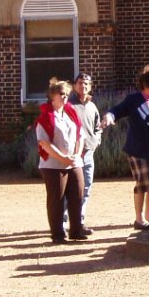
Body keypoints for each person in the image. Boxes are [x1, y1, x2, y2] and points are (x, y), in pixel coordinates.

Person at [102, 65, 149, 230]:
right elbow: (117, 110)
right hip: (138, 149)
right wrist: (109, 116)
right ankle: (139, 219)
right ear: (147, 83)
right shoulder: (133, 100)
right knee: (142, 183)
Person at [35, 79, 89, 243]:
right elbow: (45, 143)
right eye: (62, 94)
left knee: (77, 196)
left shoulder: (70, 114)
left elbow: (80, 135)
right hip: (53, 165)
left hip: (74, 162)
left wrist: (77, 155)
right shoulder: (45, 118)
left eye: (67, 94)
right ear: (53, 96)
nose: (65, 97)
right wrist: (62, 158)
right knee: (56, 200)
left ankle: (76, 230)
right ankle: (58, 234)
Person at [64, 72, 101, 235]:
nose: (83, 86)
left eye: (86, 84)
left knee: (85, 188)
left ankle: (80, 222)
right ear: (74, 86)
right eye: (80, 83)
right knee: (69, 189)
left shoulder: (92, 106)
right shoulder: (68, 106)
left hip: (88, 154)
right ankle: (63, 223)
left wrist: (96, 141)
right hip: (72, 155)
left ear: (90, 86)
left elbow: (97, 127)